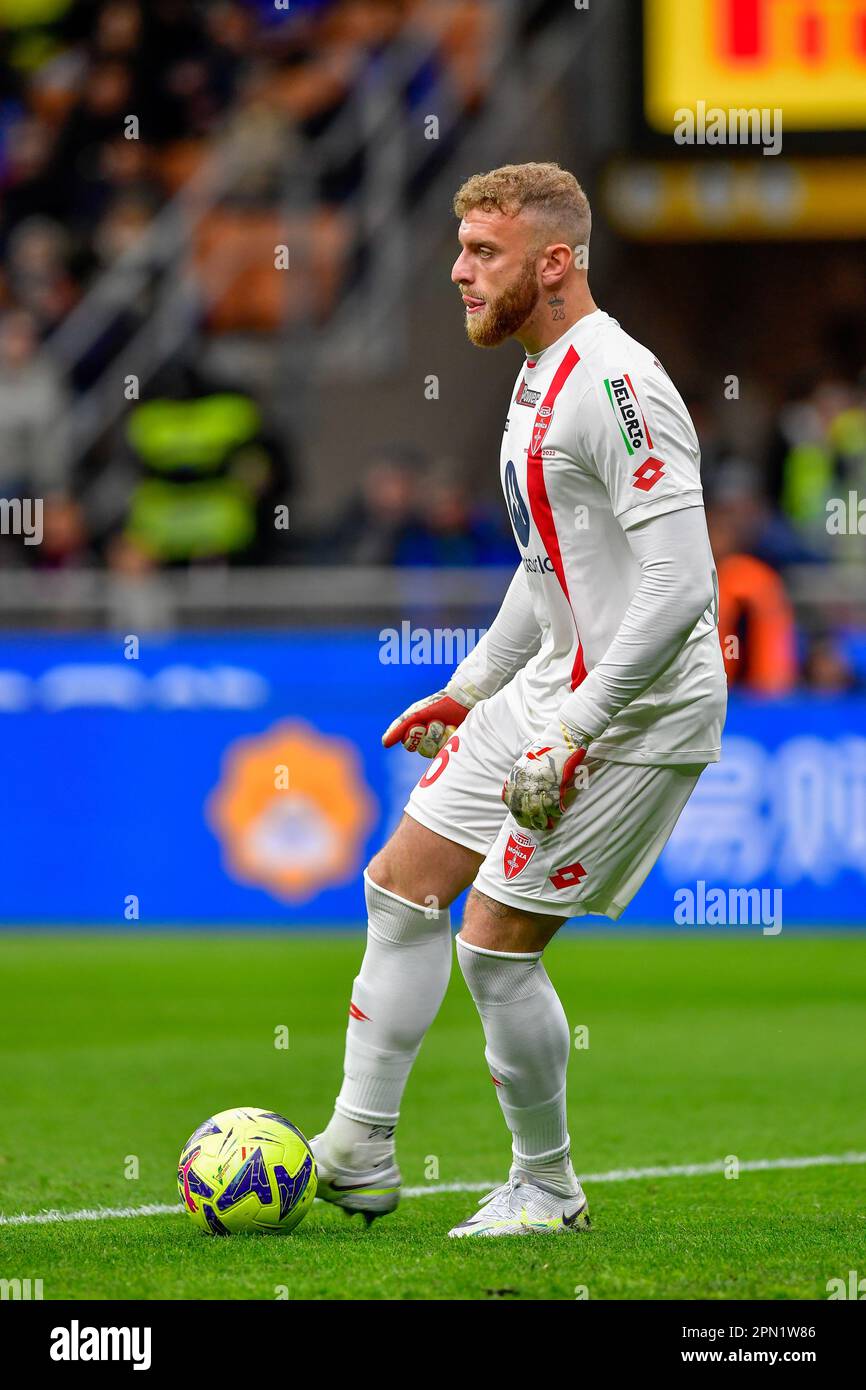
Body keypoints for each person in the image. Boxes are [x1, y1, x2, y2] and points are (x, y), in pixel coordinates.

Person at [311, 162, 727, 1237]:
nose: (455, 271)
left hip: (632, 711)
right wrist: (470, 686)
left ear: (553, 263)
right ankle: (357, 1145)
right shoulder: (537, 370)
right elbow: (547, 559)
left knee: (491, 947)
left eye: (480, 253)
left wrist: (574, 732)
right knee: (401, 885)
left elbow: (683, 583)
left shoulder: (616, 383)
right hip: (547, 685)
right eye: (458, 249)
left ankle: (546, 1189)